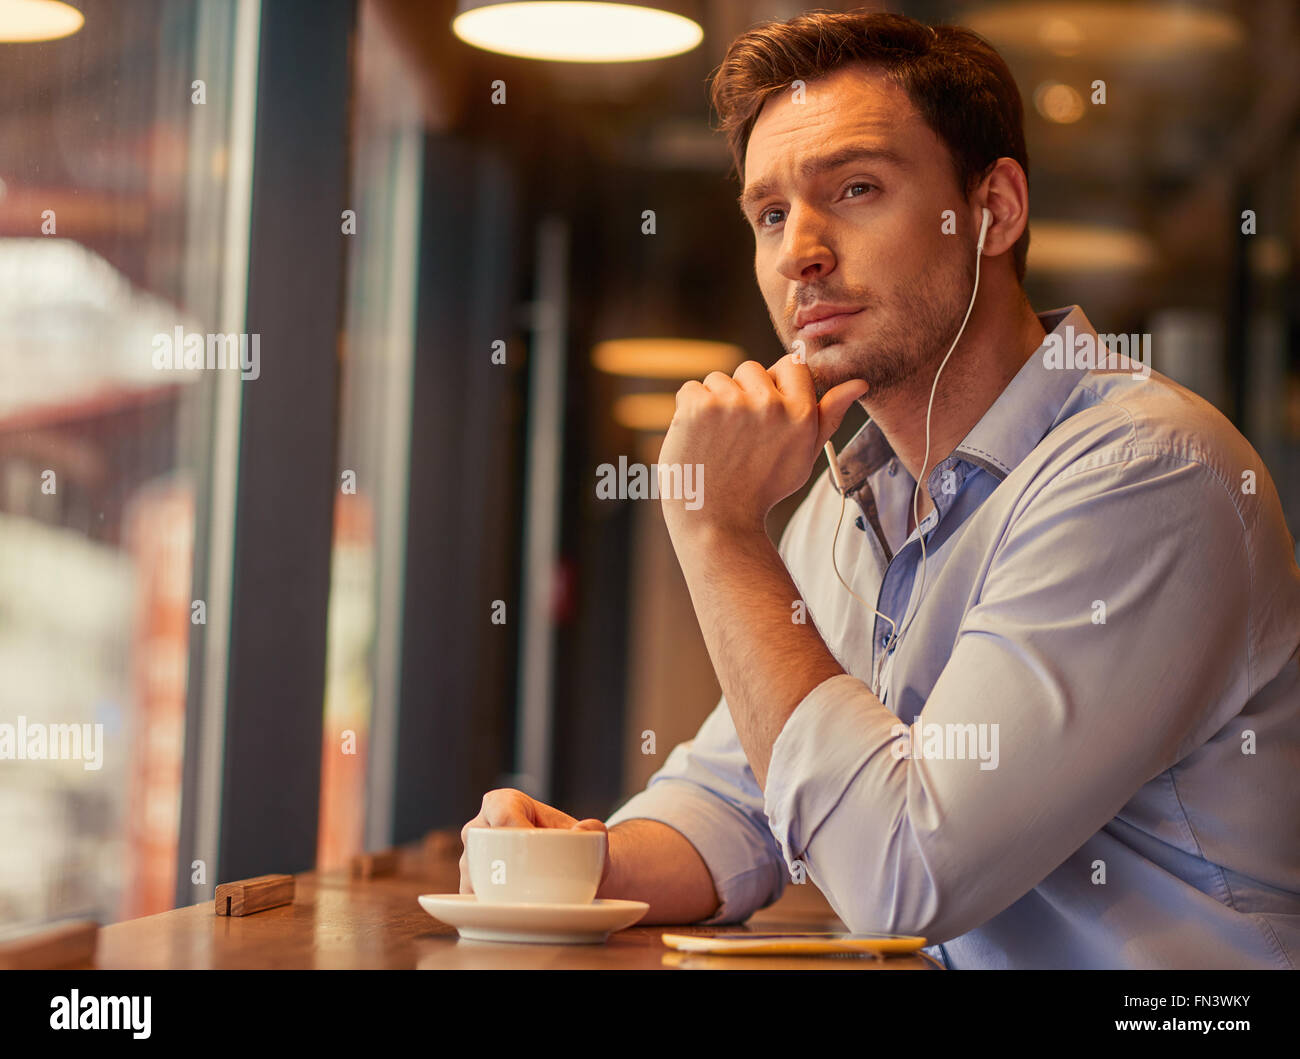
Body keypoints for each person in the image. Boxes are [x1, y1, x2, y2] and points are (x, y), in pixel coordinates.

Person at [459, 10, 1300, 969]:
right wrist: (572, 863)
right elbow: (744, 797)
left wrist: (722, 534)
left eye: (855, 188)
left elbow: (906, 874)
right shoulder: (851, 495)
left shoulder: (1146, 475)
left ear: (997, 210)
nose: (798, 252)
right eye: (770, 214)